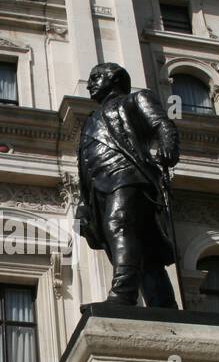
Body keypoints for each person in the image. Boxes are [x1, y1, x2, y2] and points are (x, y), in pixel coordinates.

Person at [75, 62, 180, 306]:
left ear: (114, 78)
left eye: (95, 77)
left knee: (119, 224)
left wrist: (168, 147)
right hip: (99, 188)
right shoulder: (90, 119)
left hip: (129, 175)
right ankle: (162, 303)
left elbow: (162, 124)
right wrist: (83, 204)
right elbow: (83, 165)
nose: (90, 84)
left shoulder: (136, 99)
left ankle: (123, 294)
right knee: (145, 248)